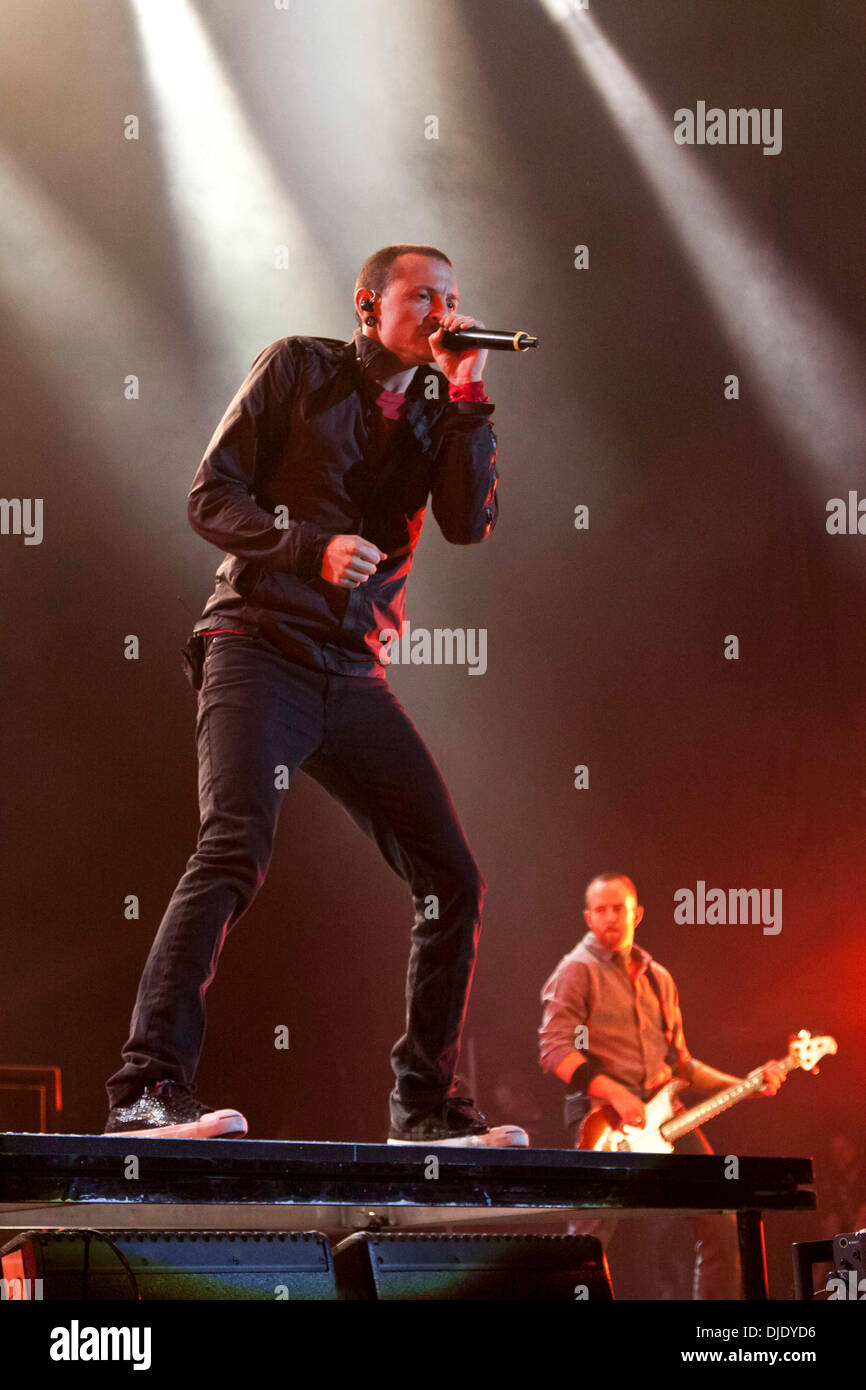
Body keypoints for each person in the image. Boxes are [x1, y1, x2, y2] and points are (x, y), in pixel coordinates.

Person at [103, 243, 527, 1149]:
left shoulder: (435, 413)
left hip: (353, 670)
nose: (444, 312)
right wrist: (307, 547)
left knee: (451, 879)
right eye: (424, 297)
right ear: (370, 306)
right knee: (234, 847)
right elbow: (208, 497)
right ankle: (145, 1090)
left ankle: (421, 1107)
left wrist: (467, 397)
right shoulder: (297, 365)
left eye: (454, 298)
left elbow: (469, 524)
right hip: (258, 643)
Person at [538, 872, 787, 1298]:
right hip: (604, 1122)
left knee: (722, 1224)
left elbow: (682, 1066)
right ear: (587, 917)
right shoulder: (575, 971)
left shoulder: (659, 979)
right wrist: (615, 1093)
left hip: (665, 1116)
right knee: (587, 1239)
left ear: (639, 913)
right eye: (601, 910)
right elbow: (555, 1051)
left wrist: (746, 1083)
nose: (611, 918)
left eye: (619, 908)